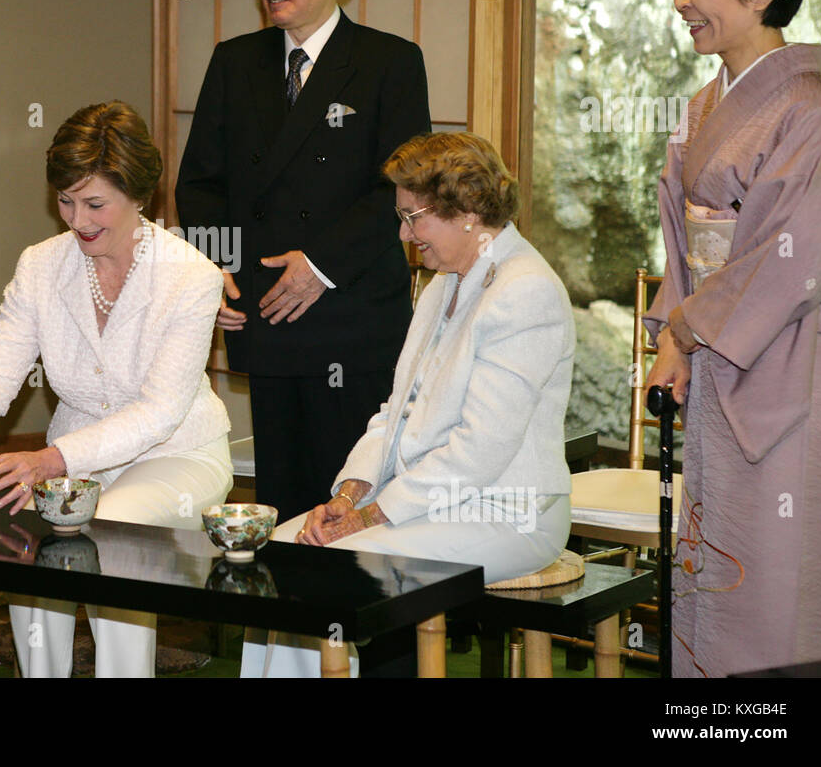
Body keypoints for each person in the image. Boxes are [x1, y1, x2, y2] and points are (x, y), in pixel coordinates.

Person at [241, 132, 575, 677]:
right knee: (280, 548)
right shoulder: (446, 282)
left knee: (329, 565)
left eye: (412, 217)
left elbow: (479, 451)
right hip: (434, 499)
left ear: (466, 211)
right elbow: (394, 412)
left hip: (509, 512)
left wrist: (367, 519)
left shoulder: (524, 290)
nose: (403, 234)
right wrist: (349, 497)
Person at [0, 101, 232, 677]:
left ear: (139, 195)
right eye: (66, 200)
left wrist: (51, 459)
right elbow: (0, 362)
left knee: (109, 540)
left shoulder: (191, 275)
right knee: (23, 542)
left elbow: (160, 411)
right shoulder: (42, 264)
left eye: (95, 203)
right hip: (74, 463)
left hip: (175, 455)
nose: (77, 219)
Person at [175, 0, 431, 527]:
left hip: (350, 313)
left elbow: (401, 190)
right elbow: (199, 183)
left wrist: (318, 265)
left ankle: (366, 627)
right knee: (283, 494)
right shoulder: (236, 61)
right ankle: (284, 626)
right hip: (265, 309)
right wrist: (221, 267)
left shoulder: (388, 62)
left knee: (351, 500)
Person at [644, 0, 821, 678]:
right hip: (721, 353)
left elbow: (795, 256)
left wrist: (687, 325)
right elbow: (681, 234)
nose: (681, 0)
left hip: (789, 361)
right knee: (712, 558)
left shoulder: (811, 108)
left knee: (776, 576)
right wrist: (673, 335)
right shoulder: (701, 105)